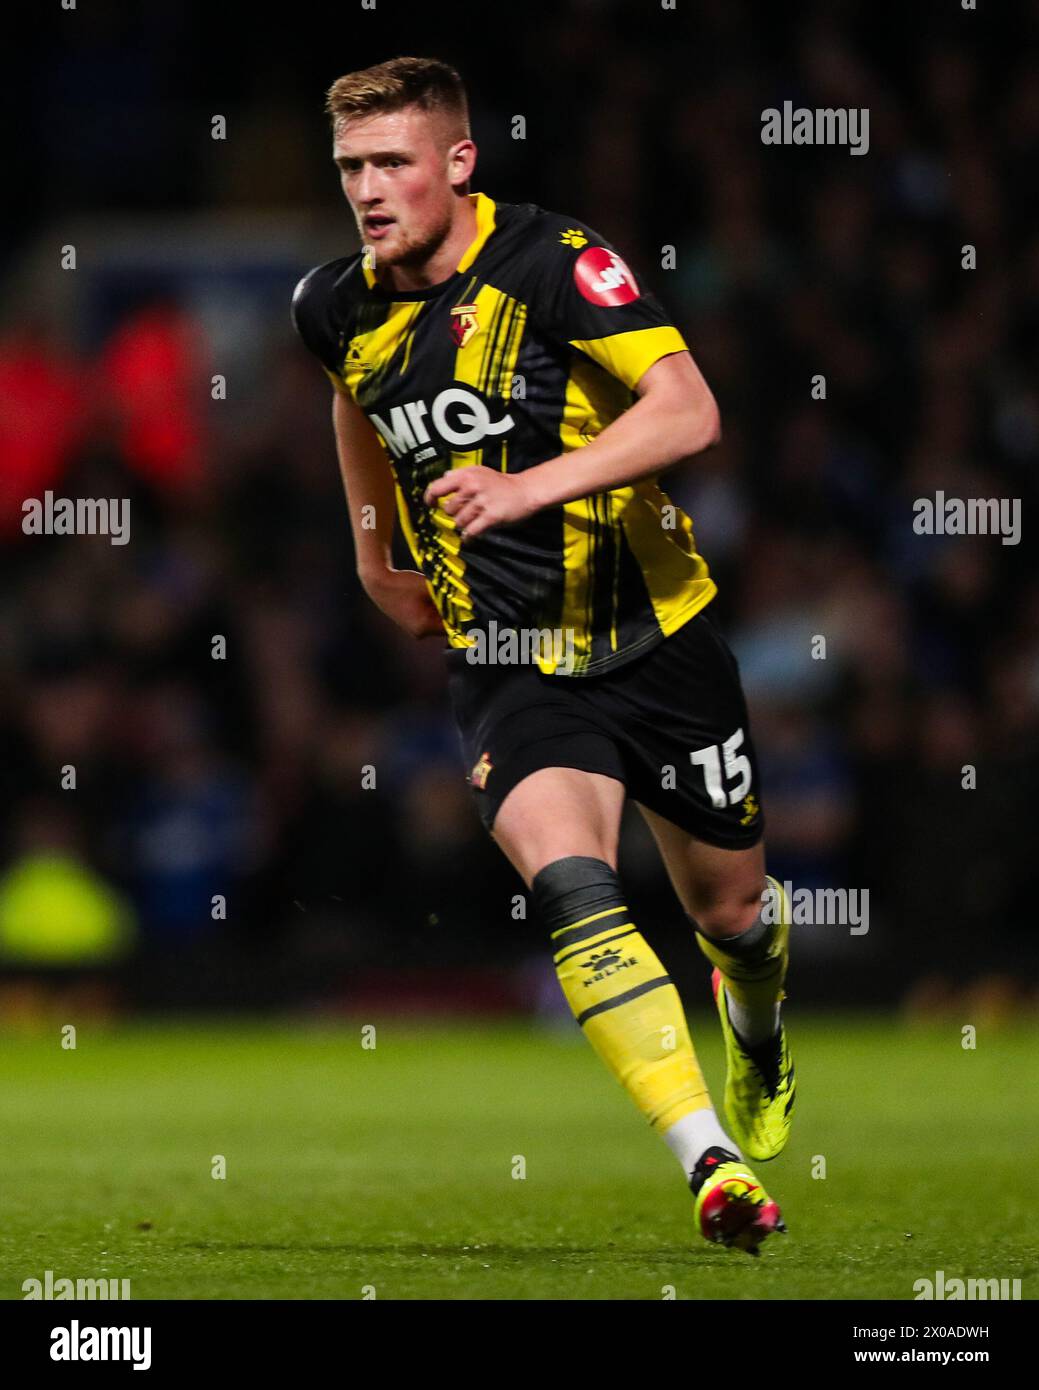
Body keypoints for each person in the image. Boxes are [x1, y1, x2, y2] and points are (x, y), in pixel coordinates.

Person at [292, 55, 794, 1255]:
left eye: (392, 164)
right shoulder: (333, 303)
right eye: (351, 167)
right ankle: (705, 1159)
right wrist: (375, 556)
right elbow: (352, 401)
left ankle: (758, 1027)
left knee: (732, 913)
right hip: (507, 657)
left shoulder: (556, 262)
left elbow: (687, 409)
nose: (368, 191)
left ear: (458, 163)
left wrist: (527, 488)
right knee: (573, 882)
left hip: (658, 640)